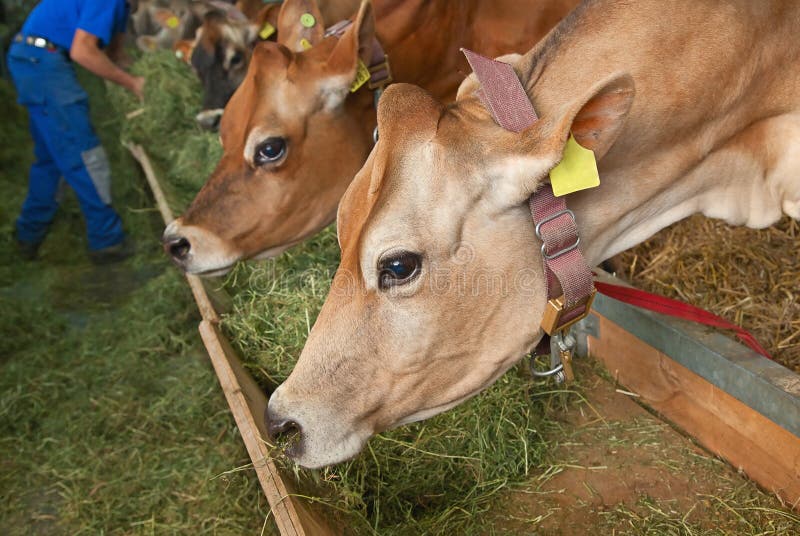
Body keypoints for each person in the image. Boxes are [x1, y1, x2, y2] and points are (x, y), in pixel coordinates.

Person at [7, 0, 145, 264]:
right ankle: (107, 241)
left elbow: (116, 55)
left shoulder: (122, 8)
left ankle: (27, 236)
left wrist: (140, 71)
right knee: (85, 154)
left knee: (51, 161)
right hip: (43, 63)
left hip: (29, 57)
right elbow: (83, 51)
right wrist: (133, 83)